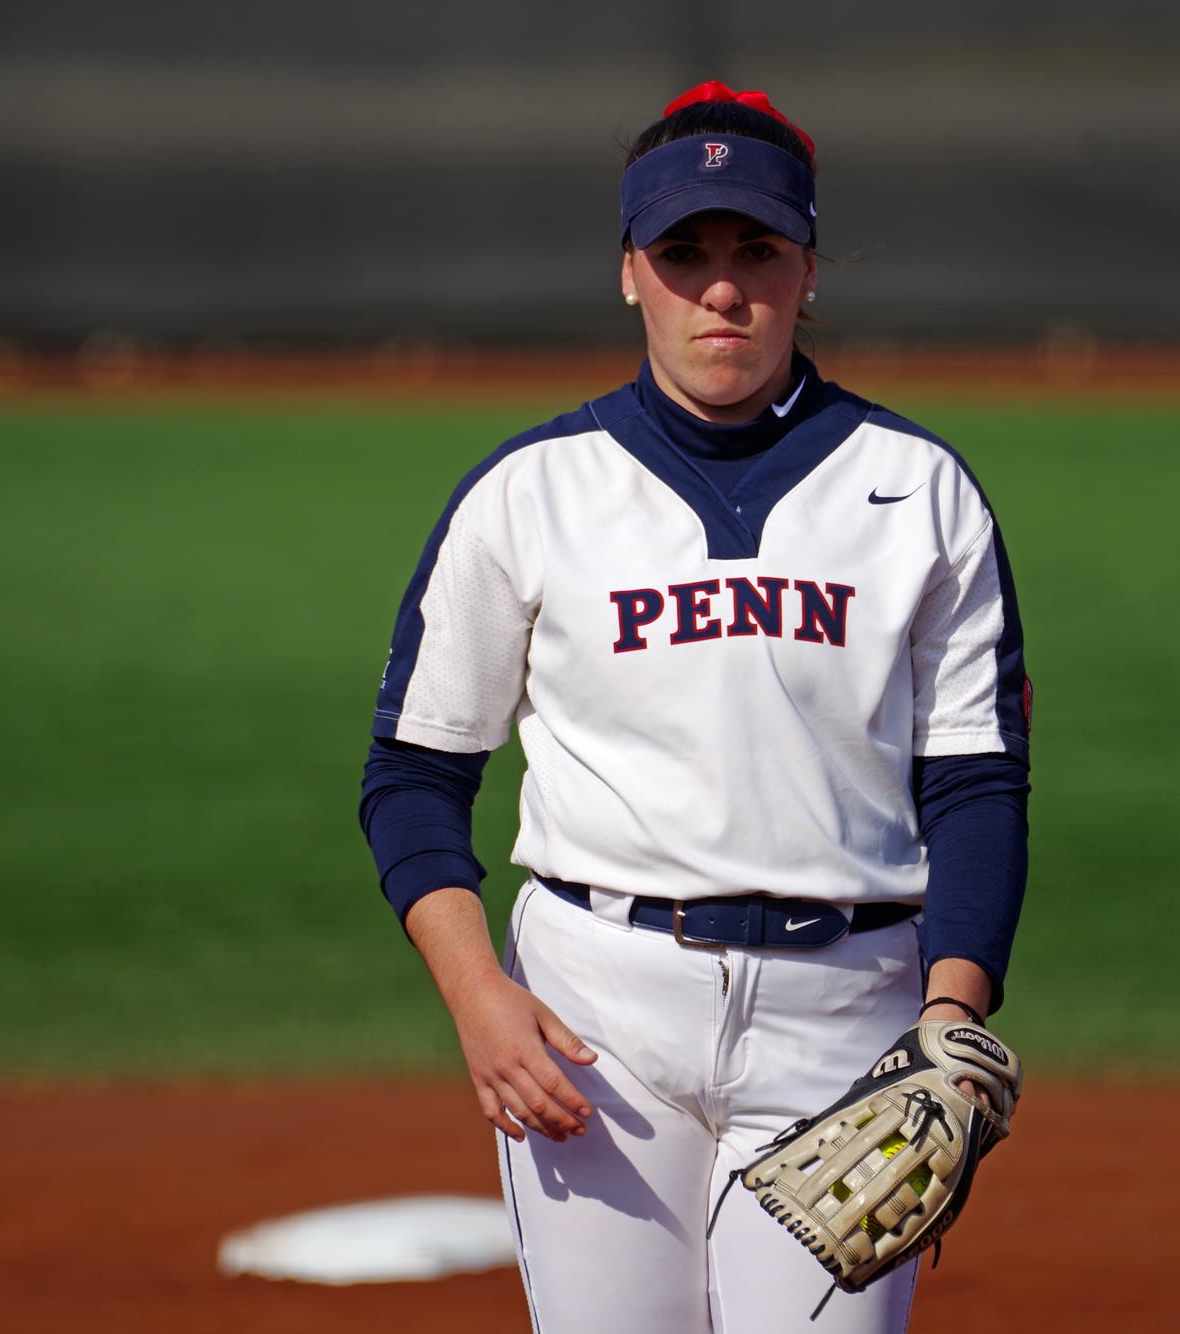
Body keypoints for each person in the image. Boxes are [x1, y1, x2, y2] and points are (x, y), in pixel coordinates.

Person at [359, 80, 1030, 1333]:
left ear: (806, 268)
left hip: (848, 1019)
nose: (721, 288)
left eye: (755, 251)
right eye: (683, 253)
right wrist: (473, 994)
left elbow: (975, 780)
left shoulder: (916, 488)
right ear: (629, 272)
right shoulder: (529, 493)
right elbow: (411, 775)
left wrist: (950, 1012)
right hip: (596, 1021)